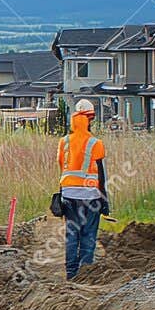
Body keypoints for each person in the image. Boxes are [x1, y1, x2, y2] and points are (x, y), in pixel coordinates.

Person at [57, 98, 110, 280]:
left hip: (68, 194)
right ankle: (85, 273)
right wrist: (105, 200)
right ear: (90, 119)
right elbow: (101, 175)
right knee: (88, 234)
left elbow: (63, 168)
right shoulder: (96, 143)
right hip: (90, 195)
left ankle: (71, 274)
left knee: (72, 234)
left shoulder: (64, 141)